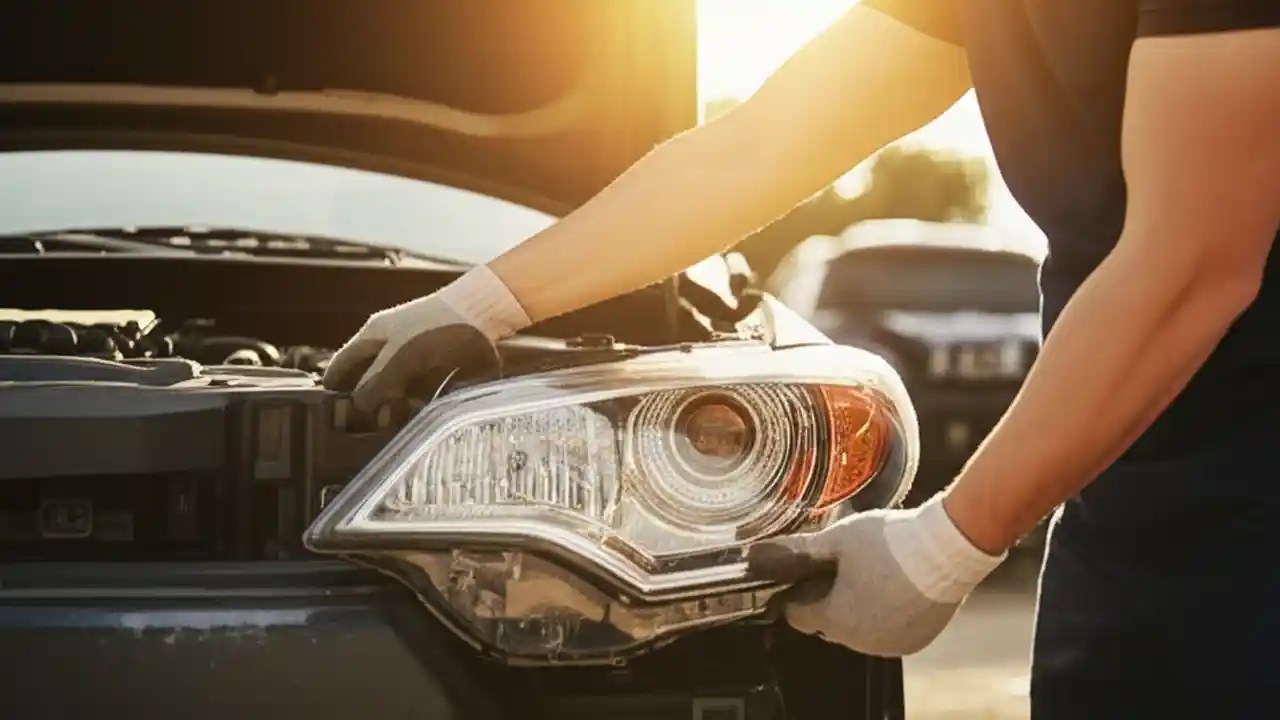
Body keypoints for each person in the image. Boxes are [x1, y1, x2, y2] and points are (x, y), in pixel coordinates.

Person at [323, 2, 1279, 716]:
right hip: (1135, 482)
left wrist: (946, 545)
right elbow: (761, 143)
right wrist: (478, 301)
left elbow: (1196, 259)